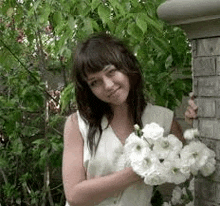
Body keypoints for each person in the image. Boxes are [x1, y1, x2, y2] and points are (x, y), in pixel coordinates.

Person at [62, 33, 190, 206]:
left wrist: (195, 120)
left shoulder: (162, 119)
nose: (107, 85)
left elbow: (190, 167)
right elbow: (75, 196)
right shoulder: (78, 124)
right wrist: (138, 171)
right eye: (94, 82)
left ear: (127, 67)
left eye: (111, 72)